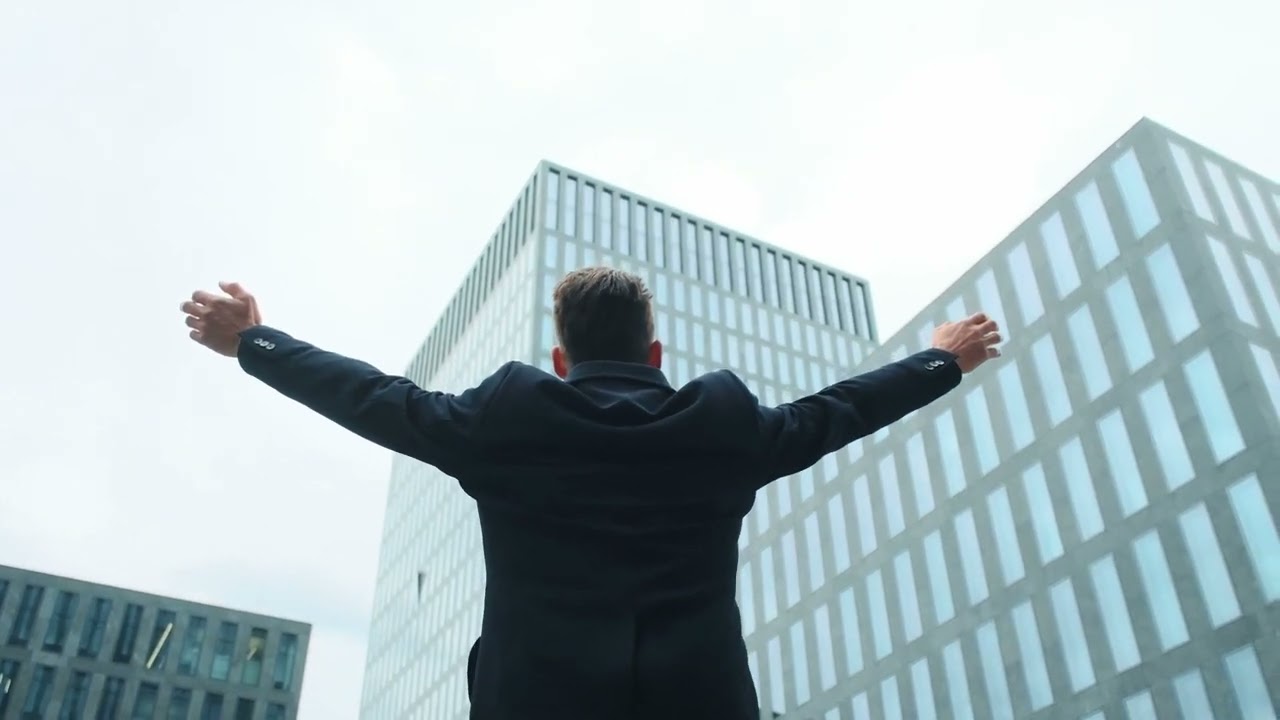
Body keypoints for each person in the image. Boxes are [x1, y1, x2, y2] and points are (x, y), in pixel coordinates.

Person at [180, 269, 1001, 720]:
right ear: (655, 351)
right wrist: (941, 359)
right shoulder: (721, 425)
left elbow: (373, 397)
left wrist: (253, 340)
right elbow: (840, 410)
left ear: (561, 358)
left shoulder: (508, 419)